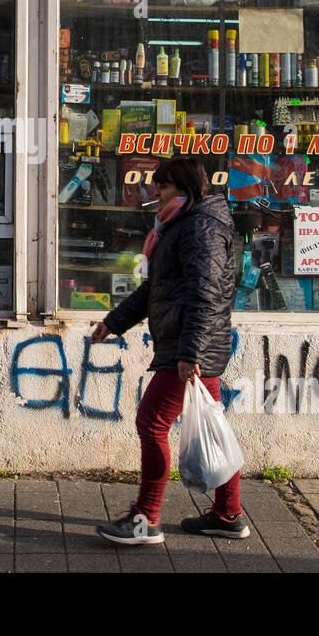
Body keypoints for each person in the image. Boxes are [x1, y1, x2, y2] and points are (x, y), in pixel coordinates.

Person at [92, 157, 247, 544]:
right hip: (189, 343)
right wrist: (114, 322)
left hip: (189, 346)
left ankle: (145, 520)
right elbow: (155, 290)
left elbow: (206, 294)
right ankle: (228, 515)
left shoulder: (200, 228)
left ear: (184, 187)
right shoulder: (179, 226)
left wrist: (189, 353)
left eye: (162, 185)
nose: (154, 191)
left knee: (151, 422)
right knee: (213, 426)